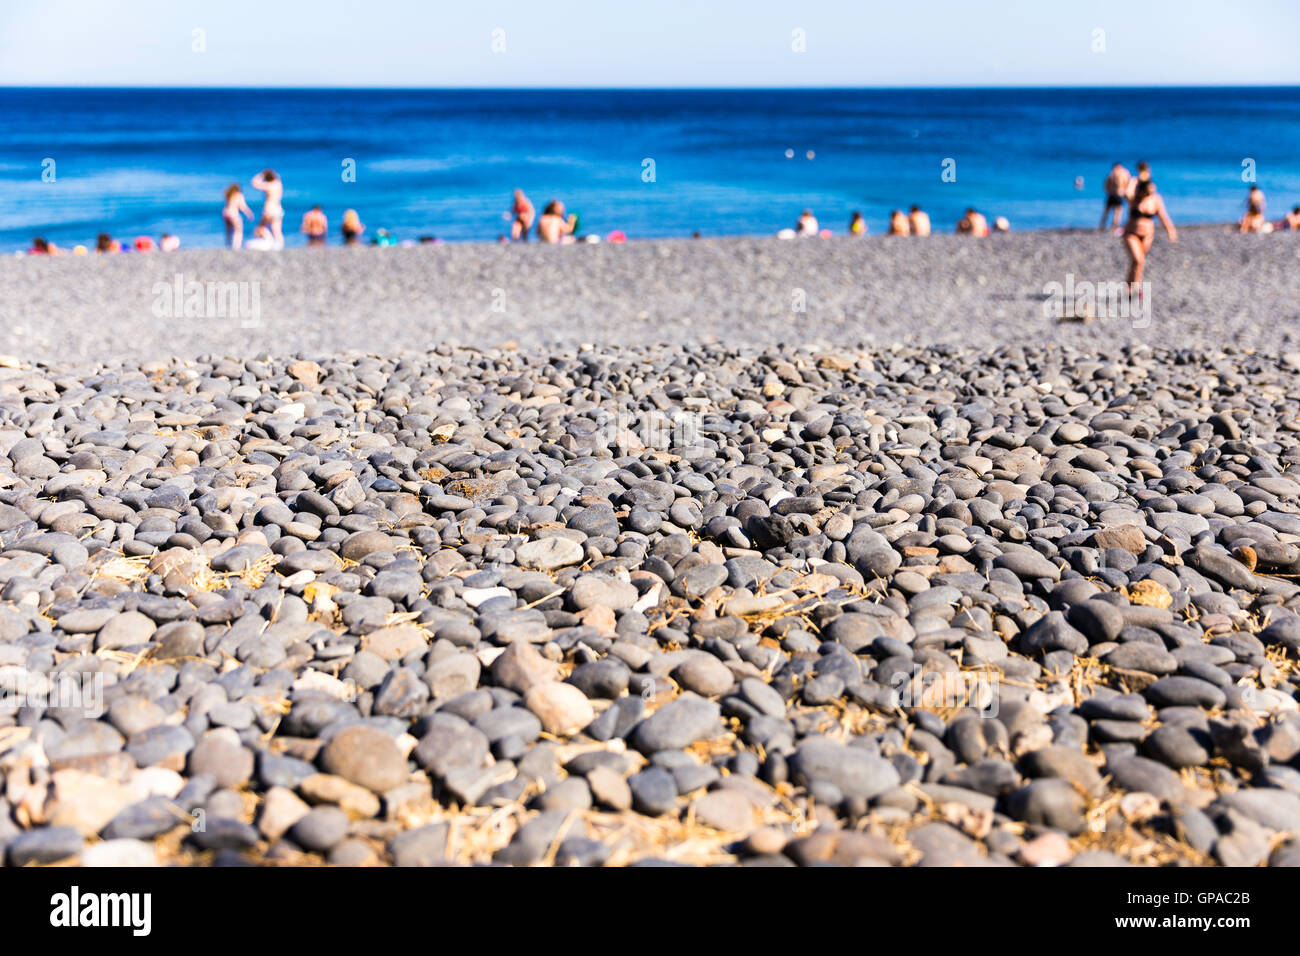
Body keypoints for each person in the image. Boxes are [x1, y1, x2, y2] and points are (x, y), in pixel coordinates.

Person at [1123, 178, 1176, 292]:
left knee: (1138, 262)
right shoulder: (1134, 199)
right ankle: (1133, 287)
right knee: (1138, 259)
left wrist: (1170, 231)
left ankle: (1131, 286)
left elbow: (1163, 216)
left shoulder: (1155, 200)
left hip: (1147, 235)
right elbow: (1126, 193)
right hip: (1131, 233)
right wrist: (1133, 181)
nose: (1150, 193)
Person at [250, 169, 284, 248]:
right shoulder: (278, 184)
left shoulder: (268, 185)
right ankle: (280, 246)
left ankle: (270, 240)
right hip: (278, 209)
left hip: (269, 209)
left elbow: (254, 183)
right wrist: (272, 174)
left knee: (260, 228)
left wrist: (261, 175)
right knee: (277, 230)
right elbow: (277, 177)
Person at [222, 183, 253, 249]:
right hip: (233, 213)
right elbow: (242, 206)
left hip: (226, 213)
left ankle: (228, 245)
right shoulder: (238, 195)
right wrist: (249, 213)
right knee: (238, 231)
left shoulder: (229, 195)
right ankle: (236, 246)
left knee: (229, 231)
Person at [1101, 163, 1131, 230]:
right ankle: (1114, 226)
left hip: (1111, 194)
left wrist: (1109, 191)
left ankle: (1102, 225)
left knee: (1106, 211)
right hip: (1119, 194)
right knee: (1117, 212)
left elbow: (1106, 186)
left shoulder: (1111, 174)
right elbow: (1128, 183)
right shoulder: (1124, 173)